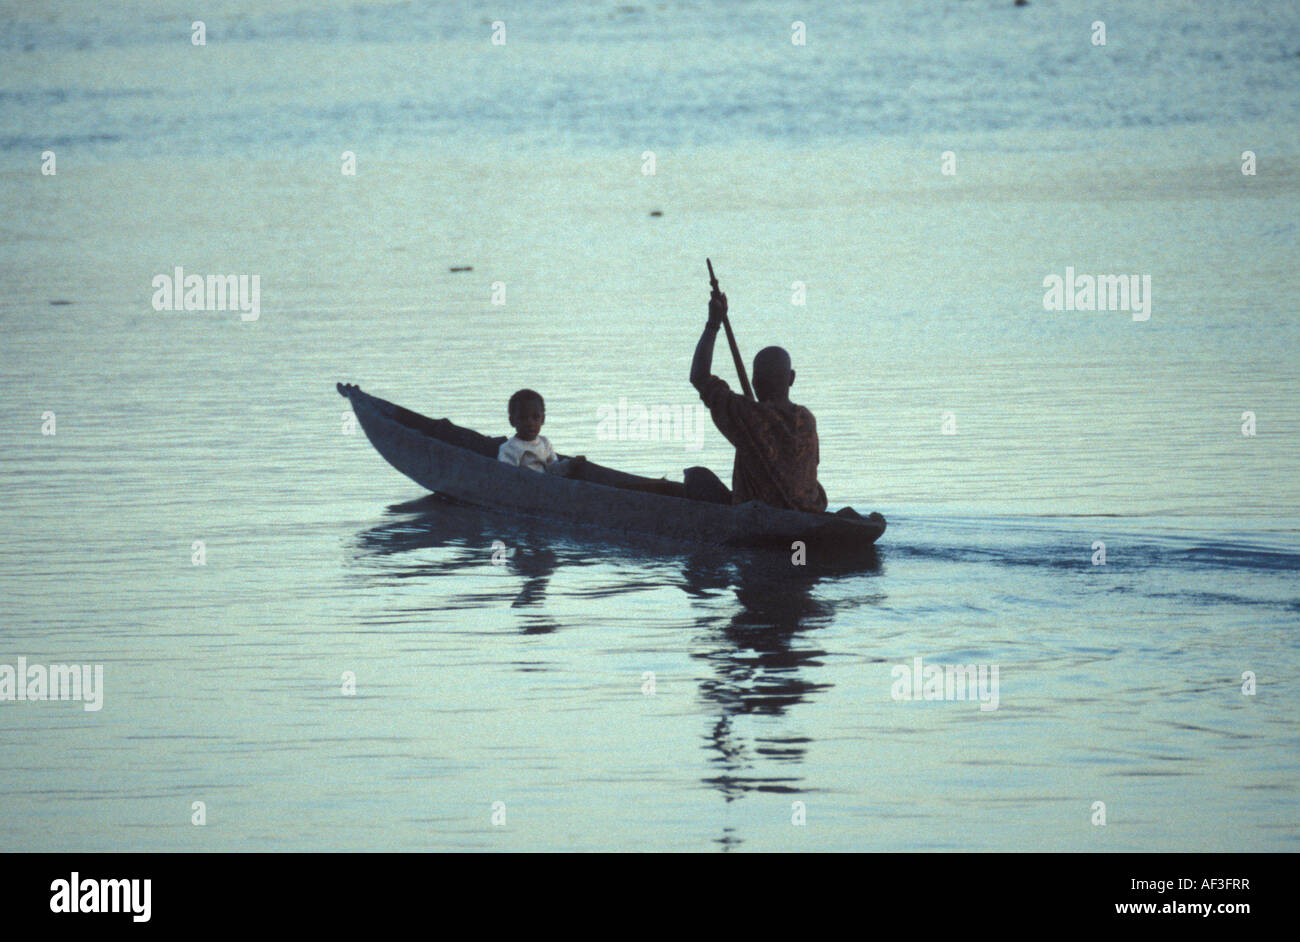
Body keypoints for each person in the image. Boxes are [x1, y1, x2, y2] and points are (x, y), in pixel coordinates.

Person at [688, 289, 828, 513]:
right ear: (791, 378)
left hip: (761, 513)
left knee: (695, 477)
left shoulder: (747, 415)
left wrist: (713, 324)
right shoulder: (807, 420)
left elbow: (699, 377)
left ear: (754, 382)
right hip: (806, 510)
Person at [498, 389, 585, 476]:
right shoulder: (509, 448)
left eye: (535, 417)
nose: (530, 423)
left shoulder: (545, 443)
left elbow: (554, 469)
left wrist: (569, 464)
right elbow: (507, 477)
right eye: (523, 418)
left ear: (542, 419)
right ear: (512, 421)